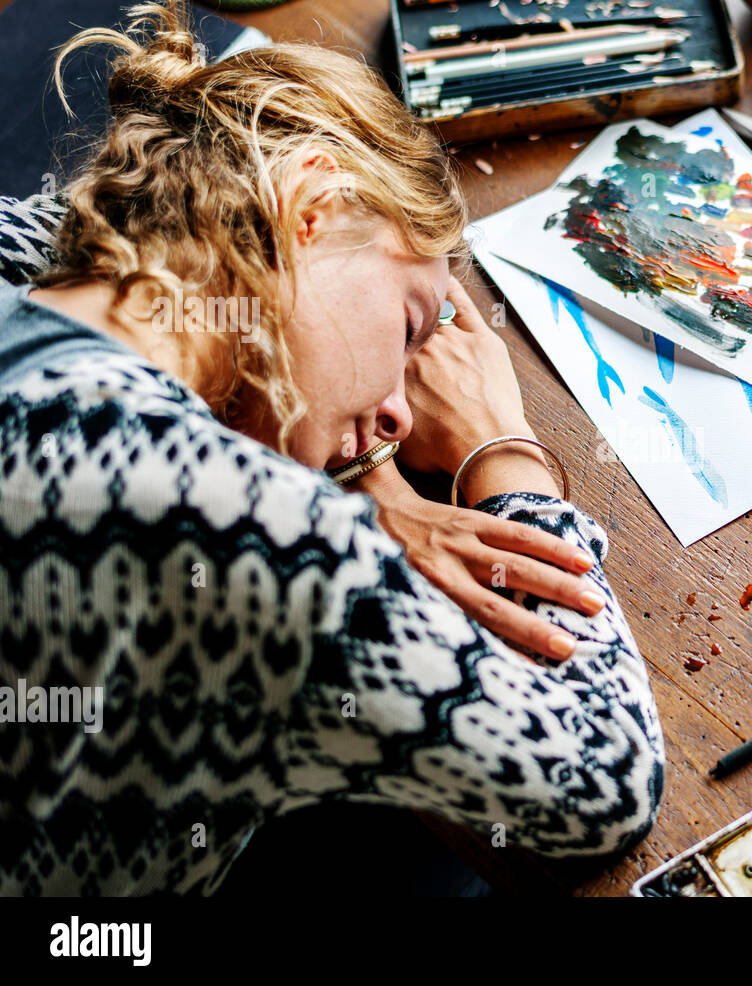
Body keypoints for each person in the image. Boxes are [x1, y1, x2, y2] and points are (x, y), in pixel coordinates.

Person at [0, 0, 664, 895]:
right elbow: (602, 782)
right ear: (309, 196)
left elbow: (68, 224)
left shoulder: (31, 277)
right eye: (411, 322)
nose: (398, 413)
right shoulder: (243, 530)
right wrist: (500, 448)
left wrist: (358, 465)